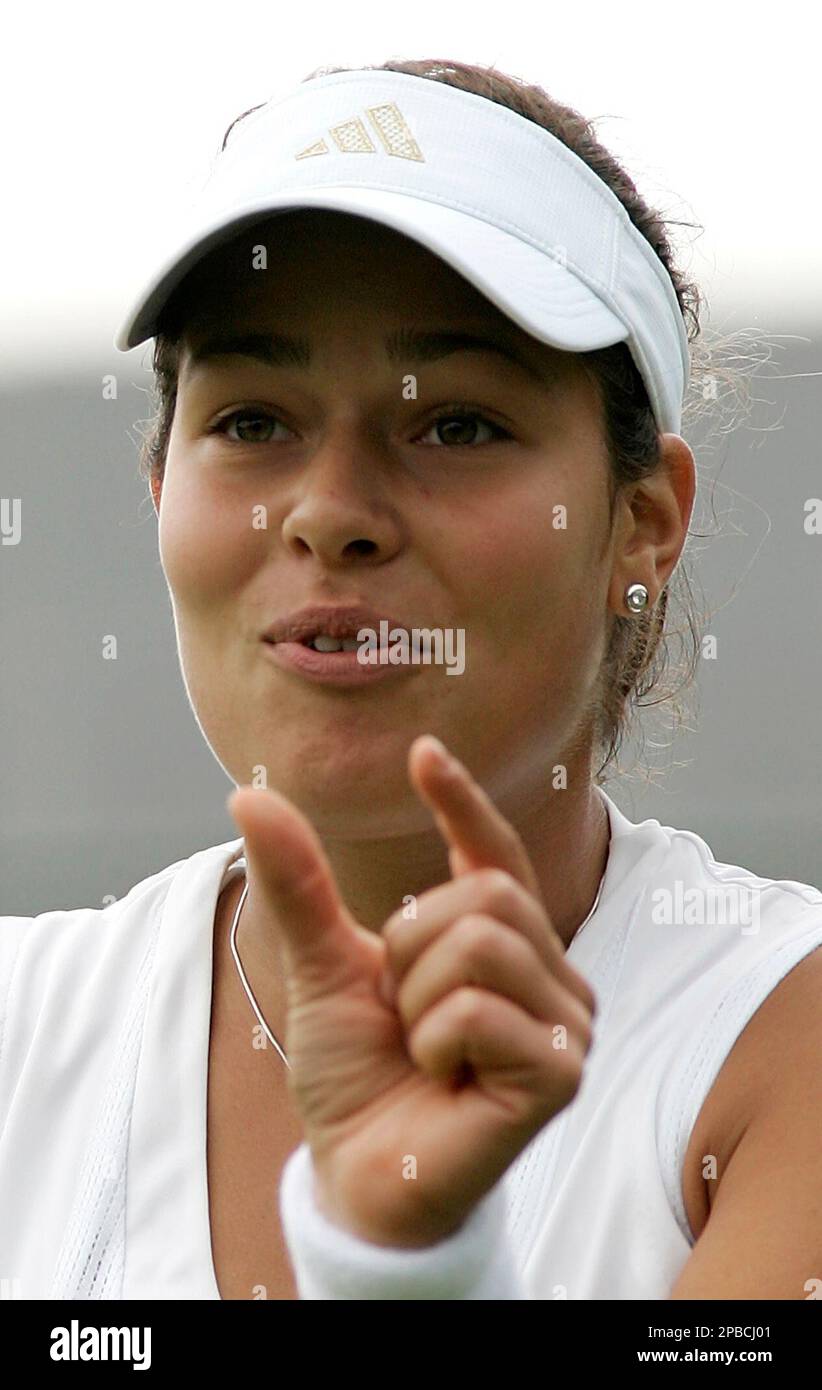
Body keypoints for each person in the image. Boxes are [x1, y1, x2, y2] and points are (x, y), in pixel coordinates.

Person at [2, 57, 821, 1302]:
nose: (331, 514)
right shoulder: (21, 1032)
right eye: (254, 421)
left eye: (457, 424)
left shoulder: (780, 1043)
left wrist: (407, 1264)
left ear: (644, 523)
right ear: (163, 494)